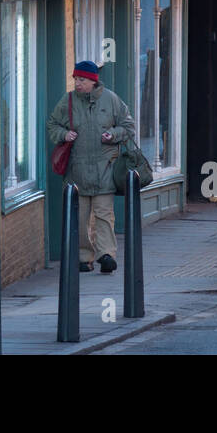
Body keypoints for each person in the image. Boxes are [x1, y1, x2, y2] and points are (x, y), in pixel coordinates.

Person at [46, 60, 136, 274]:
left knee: (105, 214)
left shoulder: (111, 100)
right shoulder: (67, 101)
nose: (77, 83)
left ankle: (107, 255)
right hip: (76, 169)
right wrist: (63, 134)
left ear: (93, 81)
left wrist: (112, 135)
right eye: (76, 79)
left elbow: (128, 126)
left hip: (105, 167)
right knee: (80, 216)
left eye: (82, 80)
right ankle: (84, 257)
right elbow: (52, 124)